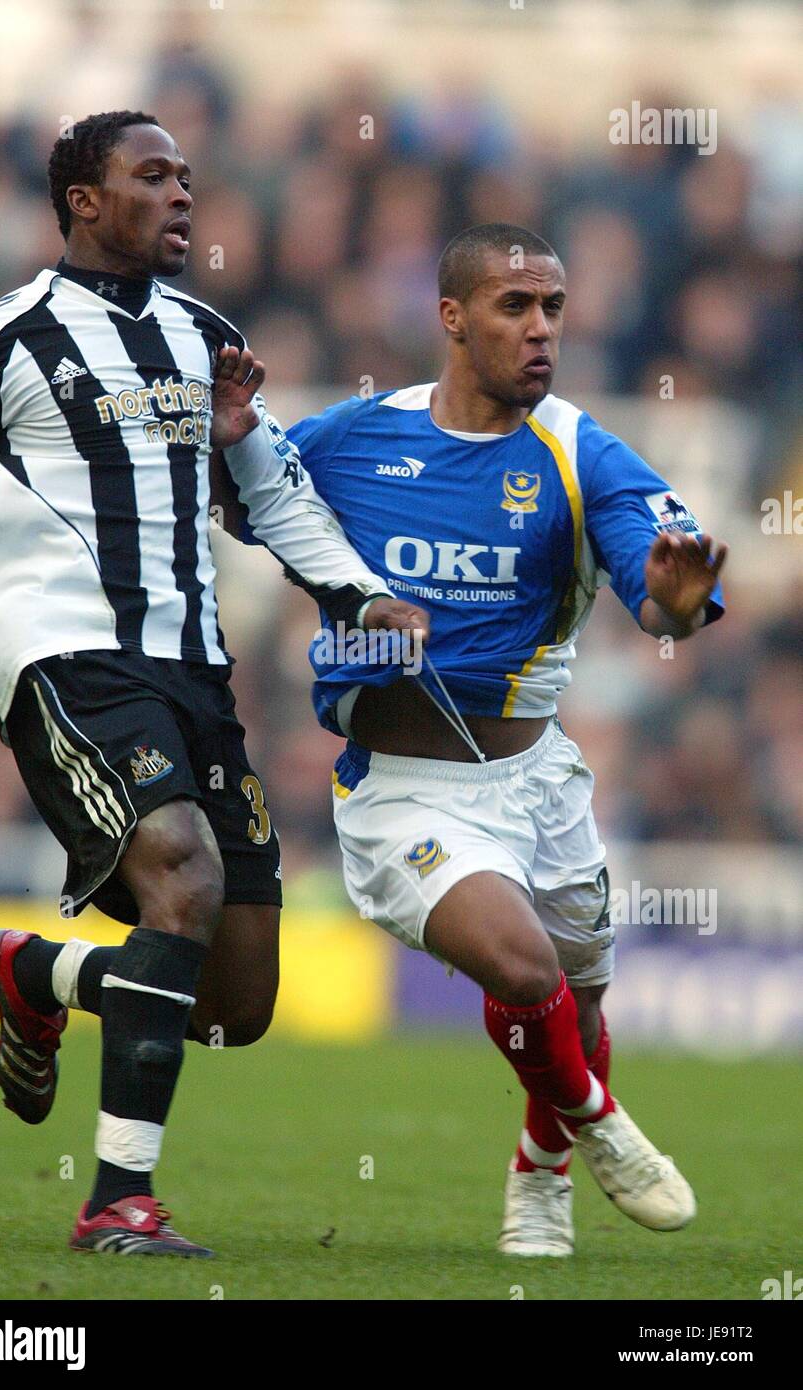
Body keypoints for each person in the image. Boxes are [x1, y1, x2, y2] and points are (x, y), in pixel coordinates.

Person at [0, 110, 417, 1257]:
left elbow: (275, 488)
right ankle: (115, 1204)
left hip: (191, 665)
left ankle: (36, 969)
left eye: (187, 177)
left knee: (234, 1001)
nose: (182, 195)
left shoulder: (208, 339)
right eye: (152, 176)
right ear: (84, 202)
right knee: (182, 878)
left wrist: (360, 594)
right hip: (60, 650)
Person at [263, 223, 726, 1256]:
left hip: (536, 780)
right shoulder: (348, 437)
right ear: (450, 317)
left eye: (552, 308)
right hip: (402, 790)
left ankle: (539, 1171)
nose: (538, 329)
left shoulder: (578, 452)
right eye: (513, 307)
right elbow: (246, 501)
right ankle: (602, 1127)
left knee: (580, 1001)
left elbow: (661, 602)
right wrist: (221, 436)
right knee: (524, 970)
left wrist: (678, 605)